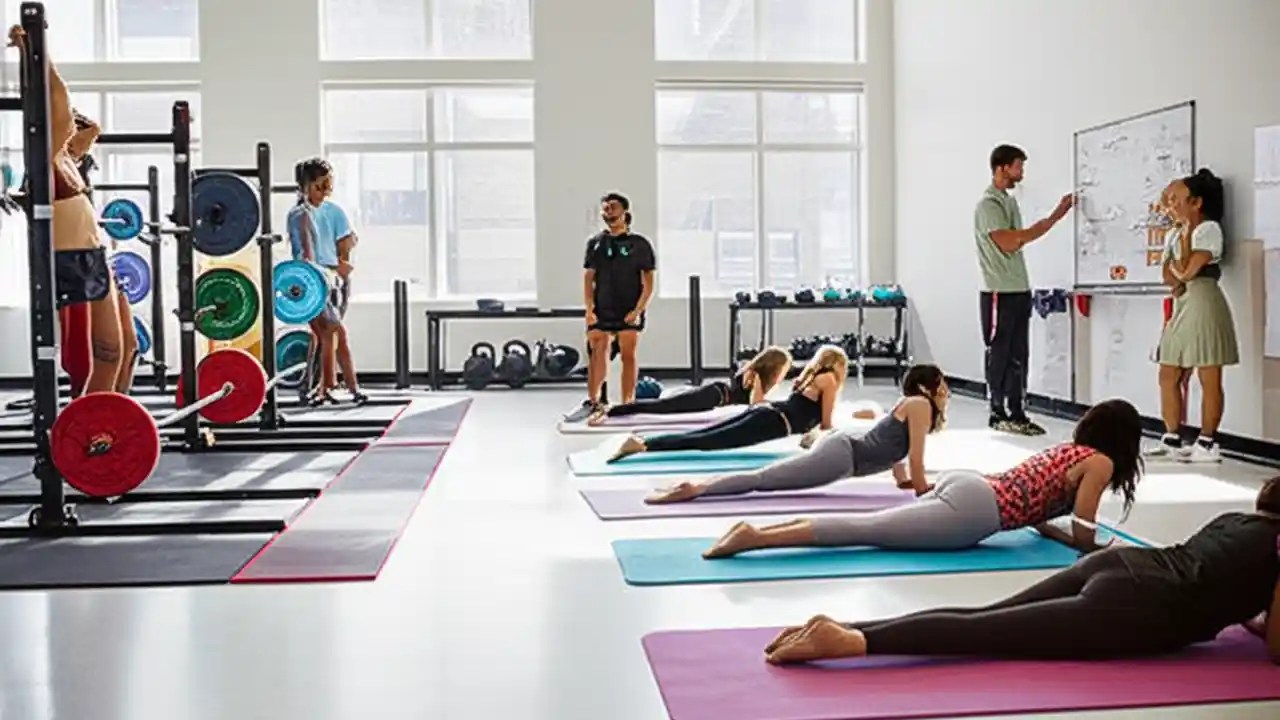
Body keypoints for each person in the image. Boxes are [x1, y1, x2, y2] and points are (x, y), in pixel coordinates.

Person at [762, 477, 1280, 666]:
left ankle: (852, 629)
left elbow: (1219, 572)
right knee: (984, 635)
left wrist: (1244, 609)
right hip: (1137, 607)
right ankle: (853, 644)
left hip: (1118, 564)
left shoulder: (1235, 517)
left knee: (984, 616)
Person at [700, 398, 1142, 559]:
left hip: (970, 485)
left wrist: (1050, 529)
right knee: (865, 530)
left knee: (872, 524)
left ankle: (757, 534)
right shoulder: (1100, 463)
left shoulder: (1068, 450)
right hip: (974, 511)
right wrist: (1088, 544)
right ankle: (755, 538)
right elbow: (1085, 532)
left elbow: (1037, 506)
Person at [10, 25, 136, 397]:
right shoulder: (44, 157)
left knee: (127, 346)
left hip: (94, 256)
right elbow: (57, 101)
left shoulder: (67, 158)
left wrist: (28, 52)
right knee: (107, 354)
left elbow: (89, 128)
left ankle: (114, 418)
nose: (72, 125)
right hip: (73, 260)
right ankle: (90, 430)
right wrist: (36, 50)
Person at [644, 364, 949, 504]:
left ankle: (697, 487)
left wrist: (904, 481)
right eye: (941, 383)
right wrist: (924, 491)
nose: (945, 390)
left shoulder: (912, 405)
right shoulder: (920, 404)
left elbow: (899, 453)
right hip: (842, 456)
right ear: (925, 388)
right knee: (764, 480)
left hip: (844, 454)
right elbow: (916, 458)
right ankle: (695, 489)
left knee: (764, 477)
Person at [975, 144, 1074, 437]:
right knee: (1000, 352)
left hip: (1019, 289)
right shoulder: (988, 205)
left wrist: (1042, 225)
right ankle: (997, 413)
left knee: (1019, 354)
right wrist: (1052, 218)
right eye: (1018, 166)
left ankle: (1017, 412)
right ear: (1002, 167)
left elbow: (1018, 239)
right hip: (998, 291)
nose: (1022, 172)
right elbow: (1009, 242)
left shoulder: (1009, 202)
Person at [608, 345, 848, 463]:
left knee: (704, 435)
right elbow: (826, 424)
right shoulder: (829, 380)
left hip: (768, 414)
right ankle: (643, 445)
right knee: (708, 440)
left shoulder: (810, 378)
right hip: (770, 420)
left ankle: (644, 443)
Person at [1147, 169, 1238, 463]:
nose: (1170, 204)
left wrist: (1179, 269)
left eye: (1176, 198)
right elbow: (1170, 277)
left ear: (1196, 202)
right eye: (1168, 198)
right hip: (1184, 303)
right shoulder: (1176, 232)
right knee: (1168, 370)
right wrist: (1179, 272)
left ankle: (1208, 442)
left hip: (1204, 301)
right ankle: (1172, 437)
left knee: (1208, 372)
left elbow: (1186, 270)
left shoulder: (1208, 229)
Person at [287, 158, 367, 406]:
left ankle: (343, 387)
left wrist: (343, 265)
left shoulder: (334, 212)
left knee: (329, 333)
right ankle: (327, 387)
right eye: (319, 187)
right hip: (311, 281)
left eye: (328, 186)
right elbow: (305, 254)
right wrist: (316, 276)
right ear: (304, 186)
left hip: (335, 281)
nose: (325, 192)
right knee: (331, 331)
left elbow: (346, 242)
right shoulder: (298, 215)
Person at [569, 194, 656, 422]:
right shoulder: (596, 243)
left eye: (613, 208)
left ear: (625, 212)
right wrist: (589, 309)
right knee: (598, 351)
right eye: (605, 209)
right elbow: (589, 278)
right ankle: (594, 401)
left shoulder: (640, 244)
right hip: (602, 307)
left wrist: (638, 309)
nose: (609, 212)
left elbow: (648, 280)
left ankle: (628, 402)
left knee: (628, 354)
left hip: (628, 307)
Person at [587, 346, 792, 426]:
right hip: (715, 396)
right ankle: (610, 411)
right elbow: (756, 405)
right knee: (662, 407)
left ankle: (612, 410)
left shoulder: (757, 378)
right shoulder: (753, 375)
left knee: (665, 405)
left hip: (717, 396)